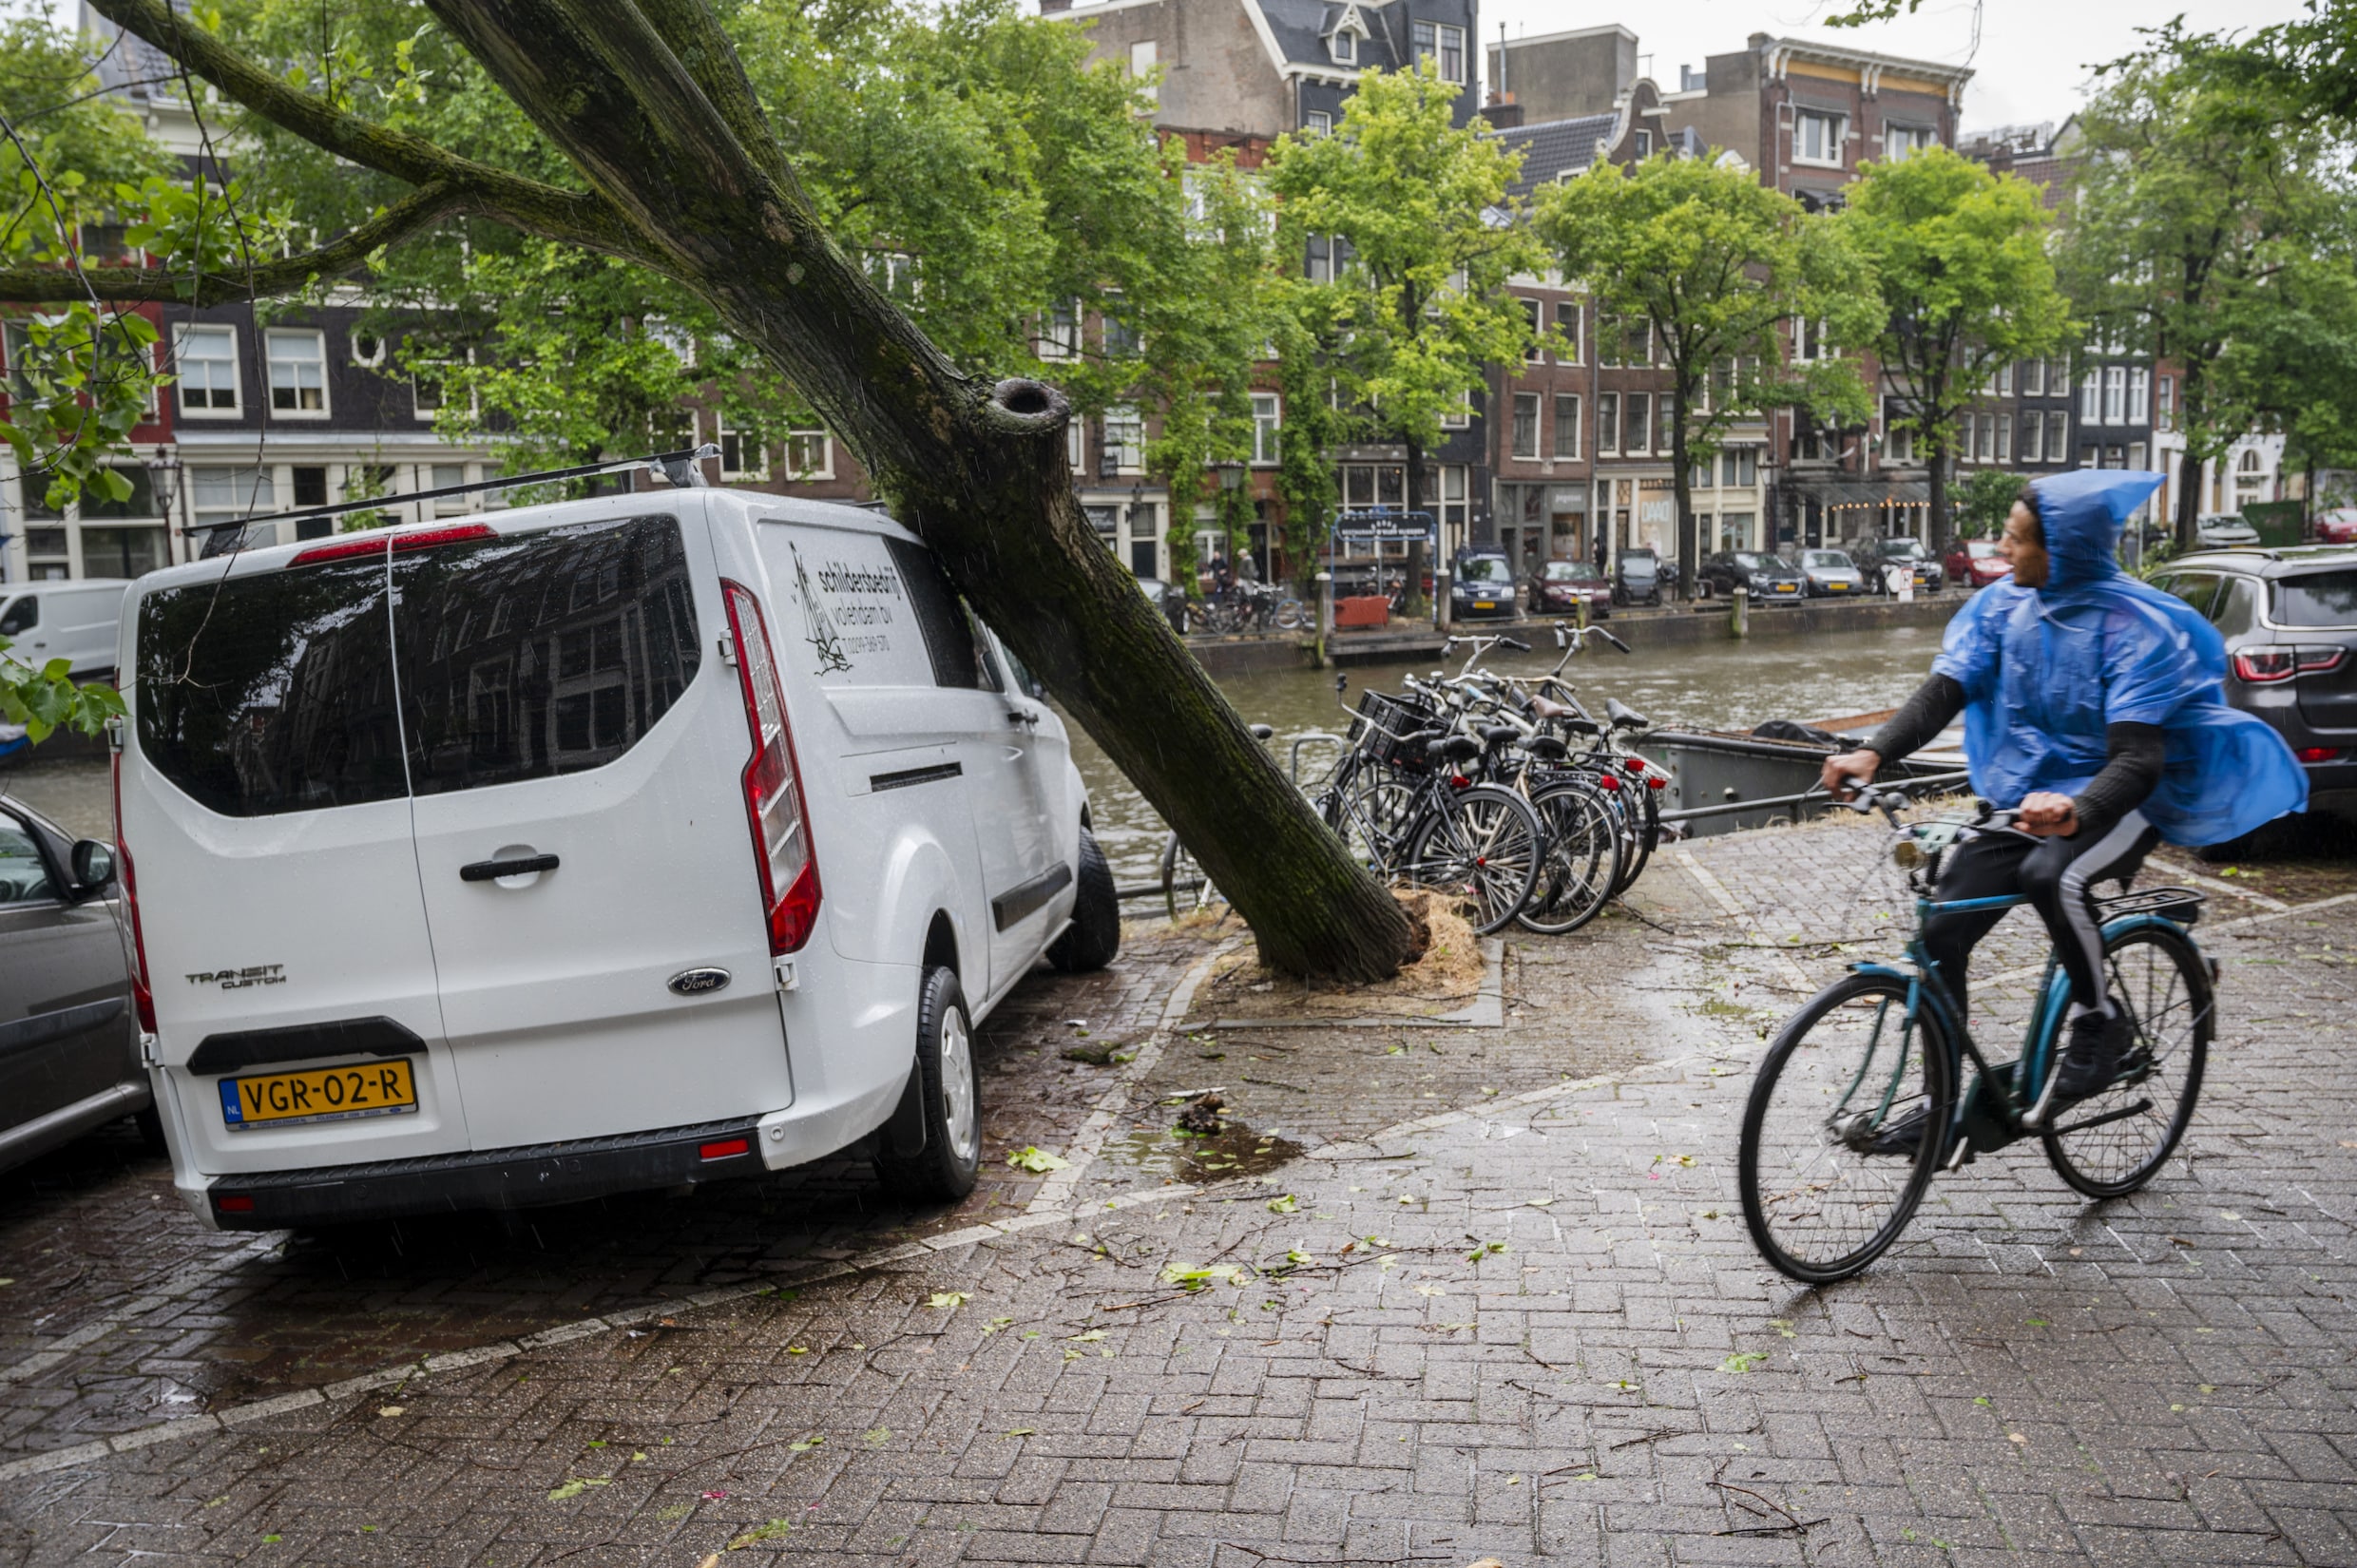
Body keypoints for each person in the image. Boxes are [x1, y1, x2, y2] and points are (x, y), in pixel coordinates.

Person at [1821, 470, 2305, 1123]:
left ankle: (2102, 1022)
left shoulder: (2132, 630)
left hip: (2119, 801)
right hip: (2029, 799)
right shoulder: (2002, 610)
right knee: (1940, 933)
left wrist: (2079, 809)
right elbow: (1946, 691)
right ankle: (1938, 1106)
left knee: (2054, 876)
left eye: (2018, 539)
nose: (2004, 547)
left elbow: (2138, 757)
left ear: (2063, 551)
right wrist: (1873, 751)